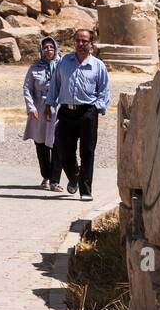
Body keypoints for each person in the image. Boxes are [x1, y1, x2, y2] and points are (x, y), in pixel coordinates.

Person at [44, 28, 110, 201]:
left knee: (87, 152)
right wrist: (49, 104)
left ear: (91, 43)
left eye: (84, 41)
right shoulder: (64, 62)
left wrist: (98, 107)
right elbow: (55, 85)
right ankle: (75, 177)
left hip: (87, 113)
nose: (81, 44)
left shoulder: (98, 66)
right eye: (78, 41)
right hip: (66, 111)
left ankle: (86, 191)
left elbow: (104, 90)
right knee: (64, 151)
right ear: (74, 42)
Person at [22, 36, 63, 191]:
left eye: (51, 47)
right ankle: (45, 176)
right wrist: (31, 107)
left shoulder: (62, 65)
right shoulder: (35, 67)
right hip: (39, 107)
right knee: (41, 143)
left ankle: (55, 180)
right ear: (41, 50)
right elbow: (27, 88)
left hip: (57, 107)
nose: (49, 50)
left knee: (57, 143)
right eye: (45, 47)